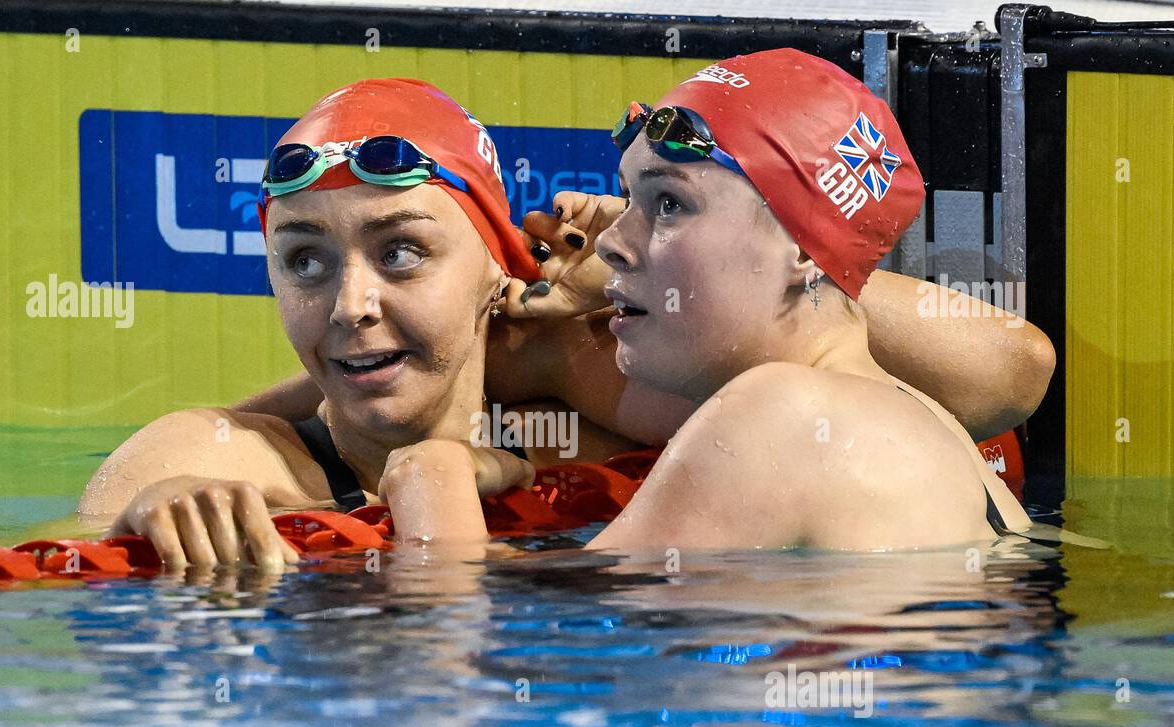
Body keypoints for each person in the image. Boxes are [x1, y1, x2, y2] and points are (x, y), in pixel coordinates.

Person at [82, 67, 1052, 568]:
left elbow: (1004, 372)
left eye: (402, 250)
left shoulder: (617, 382)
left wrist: (721, 263)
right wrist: (141, 517)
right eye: (303, 260)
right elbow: (56, 592)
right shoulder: (209, 456)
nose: (351, 305)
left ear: (502, 264)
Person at [378, 49, 1035, 551]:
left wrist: (433, 497)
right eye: (627, 200)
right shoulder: (924, 415)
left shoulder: (780, 413)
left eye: (669, 204)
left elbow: (515, 654)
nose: (613, 246)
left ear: (801, 248)